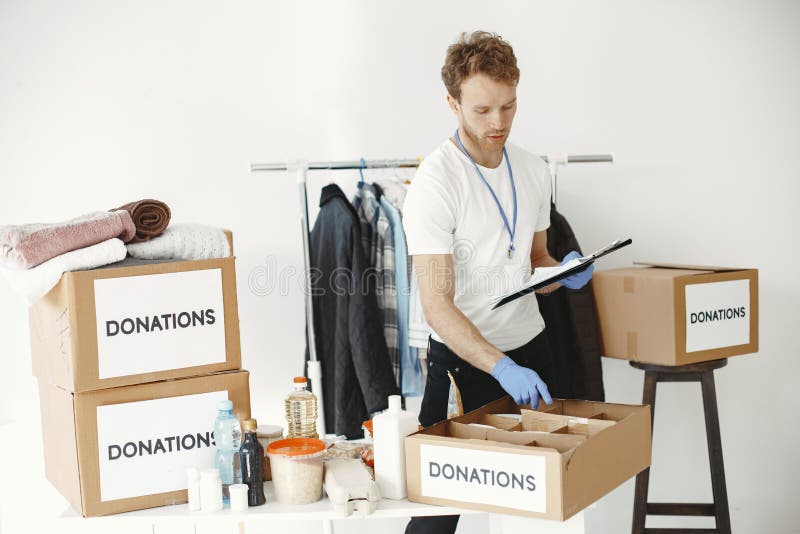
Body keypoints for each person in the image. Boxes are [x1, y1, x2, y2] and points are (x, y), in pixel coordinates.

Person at [402, 31, 594, 534]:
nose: (499, 123)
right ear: (452, 102)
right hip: (464, 366)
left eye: (509, 107)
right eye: (483, 110)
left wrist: (564, 273)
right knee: (436, 514)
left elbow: (534, 263)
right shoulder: (435, 184)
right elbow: (437, 304)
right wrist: (499, 366)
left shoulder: (532, 170)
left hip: (533, 353)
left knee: (541, 508)